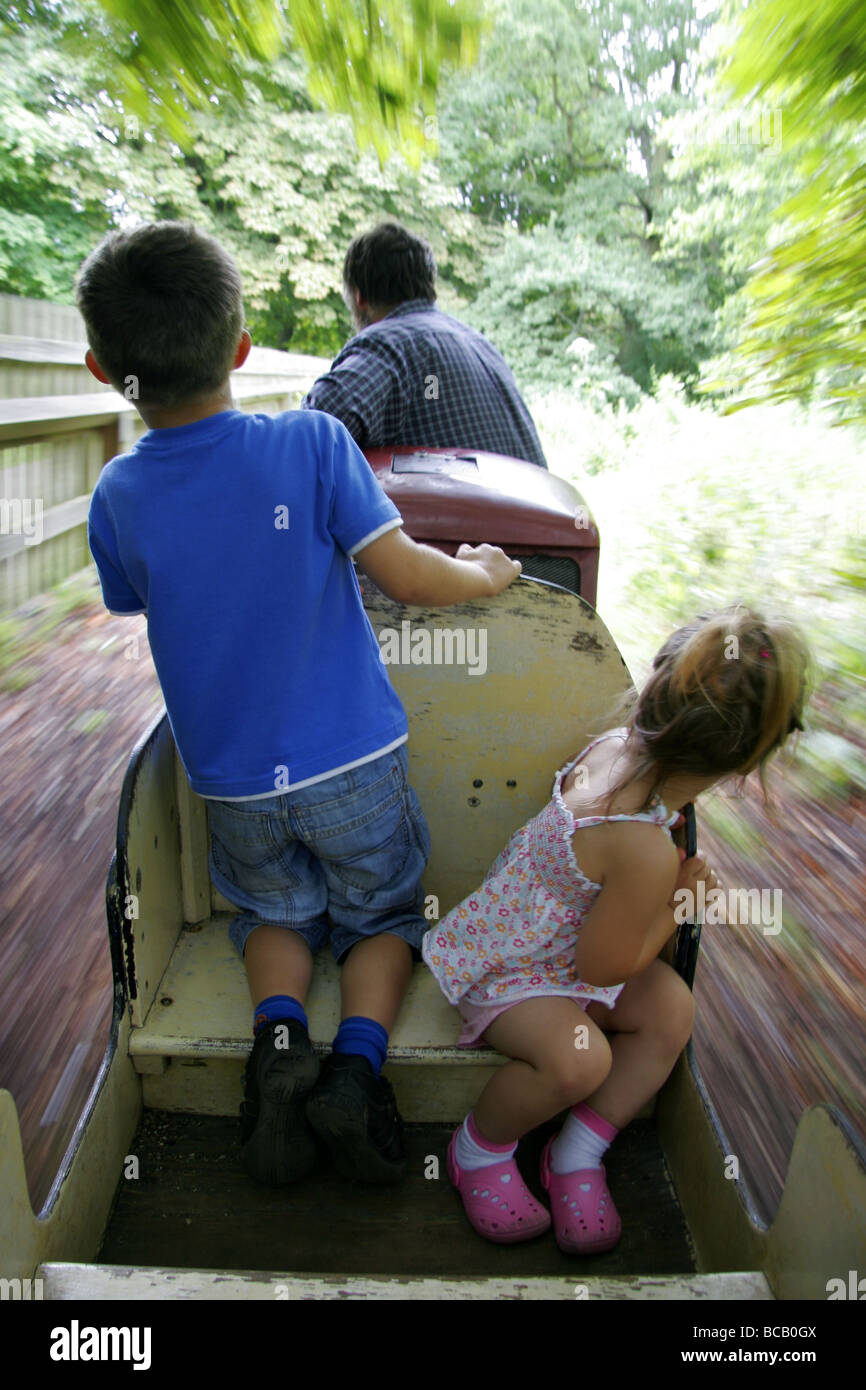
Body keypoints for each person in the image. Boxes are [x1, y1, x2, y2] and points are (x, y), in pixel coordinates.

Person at [78, 220, 522, 1190]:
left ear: (105, 369)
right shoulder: (314, 446)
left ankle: (276, 1049)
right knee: (381, 918)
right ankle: (355, 1072)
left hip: (231, 782)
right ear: (240, 344)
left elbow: (144, 595)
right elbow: (405, 577)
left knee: (272, 912)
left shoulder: (116, 494)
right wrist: (482, 574)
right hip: (351, 762)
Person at [422, 607, 808, 1251]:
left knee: (671, 1010)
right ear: (744, 763)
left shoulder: (614, 749)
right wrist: (680, 905)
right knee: (581, 1058)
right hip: (512, 970)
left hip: (556, 950)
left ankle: (575, 1152)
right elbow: (604, 966)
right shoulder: (645, 850)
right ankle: (479, 1150)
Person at [302, 221, 549, 468]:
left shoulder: (387, 345)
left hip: (461, 508)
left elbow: (307, 437)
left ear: (360, 296)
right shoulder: (483, 347)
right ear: (428, 284)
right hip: (541, 501)